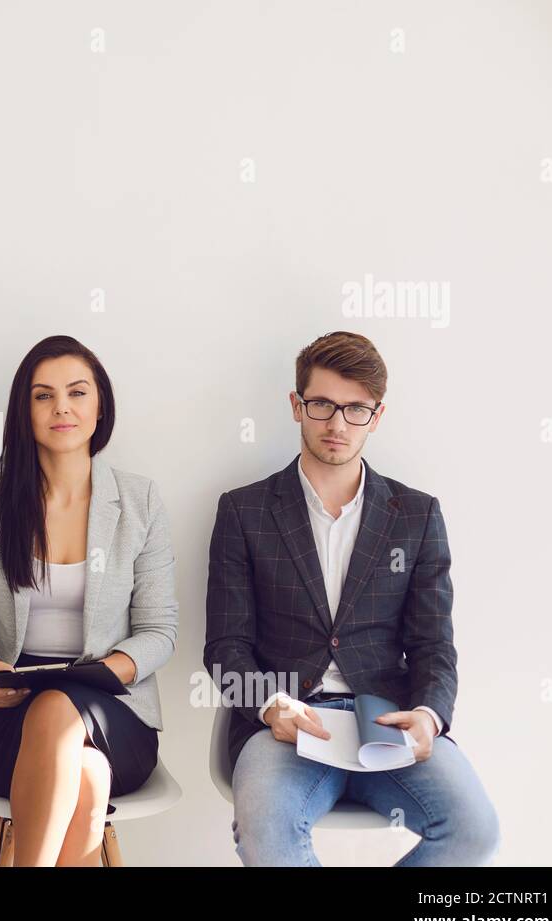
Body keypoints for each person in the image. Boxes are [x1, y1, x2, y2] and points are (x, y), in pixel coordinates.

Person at [204, 330, 499, 865]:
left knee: (475, 830)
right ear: (296, 406)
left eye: (356, 409)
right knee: (266, 834)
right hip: (287, 728)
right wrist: (271, 706)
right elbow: (226, 647)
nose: (337, 424)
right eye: (321, 405)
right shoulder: (243, 512)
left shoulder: (416, 515)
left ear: (377, 416)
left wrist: (430, 715)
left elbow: (435, 644)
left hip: (386, 723)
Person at [0, 334, 178, 866]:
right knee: (86, 776)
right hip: (5, 712)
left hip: (113, 708)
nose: (61, 407)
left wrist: (116, 668)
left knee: (63, 712)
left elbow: (160, 629)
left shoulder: (140, 501)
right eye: (43, 396)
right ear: (25, 411)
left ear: (100, 406)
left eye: (77, 392)